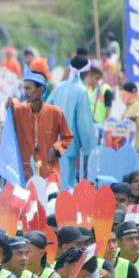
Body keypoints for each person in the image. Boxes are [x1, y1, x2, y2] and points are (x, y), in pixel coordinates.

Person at [10, 69, 73, 181]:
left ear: (41, 90)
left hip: (50, 172)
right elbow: (13, 106)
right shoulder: (19, 111)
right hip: (26, 173)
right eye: (24, 88)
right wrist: (11, 103)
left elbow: (67, 137)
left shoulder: (56, 113)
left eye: (29, 88)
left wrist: (56, 149)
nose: (26, 92)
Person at [47, 56, 98, 189]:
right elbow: (84, 124)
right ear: (86, 73)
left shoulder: (60, 87)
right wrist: (89, 149)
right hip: (70, 146)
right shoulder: (82, 91)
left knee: (52, 182)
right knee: (67, 185)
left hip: (52, 144)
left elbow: (47, 109)